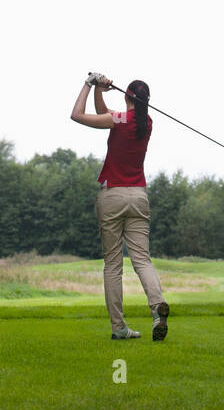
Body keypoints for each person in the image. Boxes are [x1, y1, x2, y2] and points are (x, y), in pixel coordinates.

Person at [70, 73, 170, 342]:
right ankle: (157, 308)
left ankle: (119, 327)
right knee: (142, 260)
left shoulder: (118, 121)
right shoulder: (146, 123)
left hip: (112, 196)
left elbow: (77, 115)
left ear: (126, 96)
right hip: (138, 196)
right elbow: (105, 112)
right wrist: (101, 91)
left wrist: (89, 83)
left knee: (113, 264)